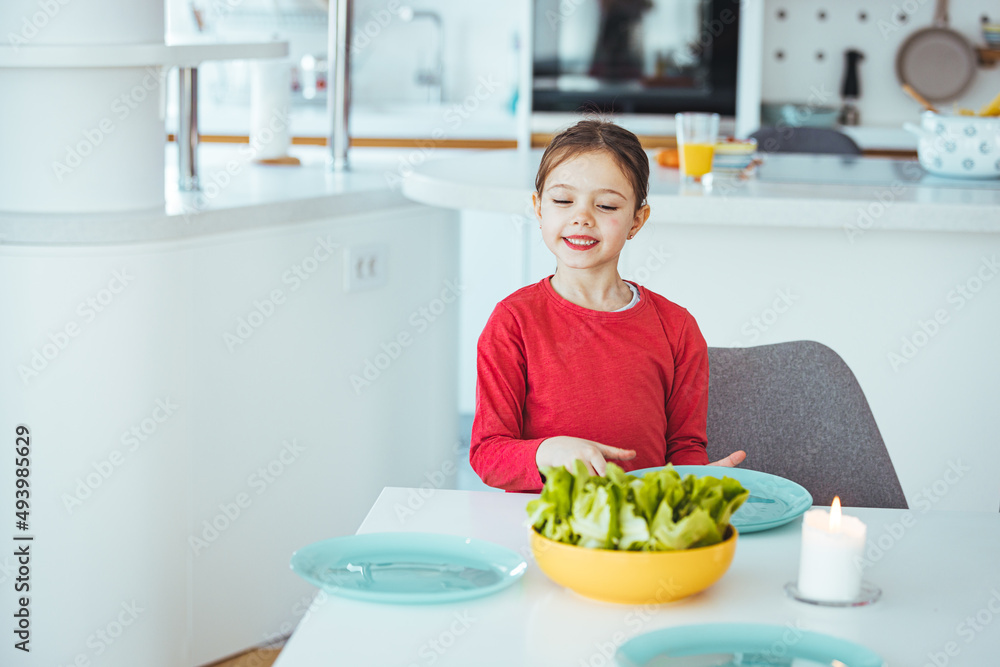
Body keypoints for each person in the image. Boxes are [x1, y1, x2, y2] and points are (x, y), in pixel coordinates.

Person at [470, 119, 745, 493]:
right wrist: (546, 451)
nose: (582, 216)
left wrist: (696, 483)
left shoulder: (677, 328)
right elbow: (488, 453)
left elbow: (684, 447)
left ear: (637, 220)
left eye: (605, 205)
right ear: (538, 208)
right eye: (563, 200)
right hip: (544, 523)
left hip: (640, 530)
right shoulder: (512, 322)